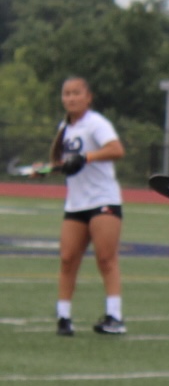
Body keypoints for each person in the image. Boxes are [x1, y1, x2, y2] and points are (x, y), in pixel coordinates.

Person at [32, 76, 127, 336]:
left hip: (103, 200)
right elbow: (65, 164)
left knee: (106, 259)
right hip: (76, 203)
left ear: (88, 97)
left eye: (76, 93)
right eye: (67, 93)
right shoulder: (65, 126)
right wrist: (45, 170)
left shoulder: (96, 123)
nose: (71, 98)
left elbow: (116, 150)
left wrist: (87, 157)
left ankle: (115, 317)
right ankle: (63, 318)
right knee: (67, 259)